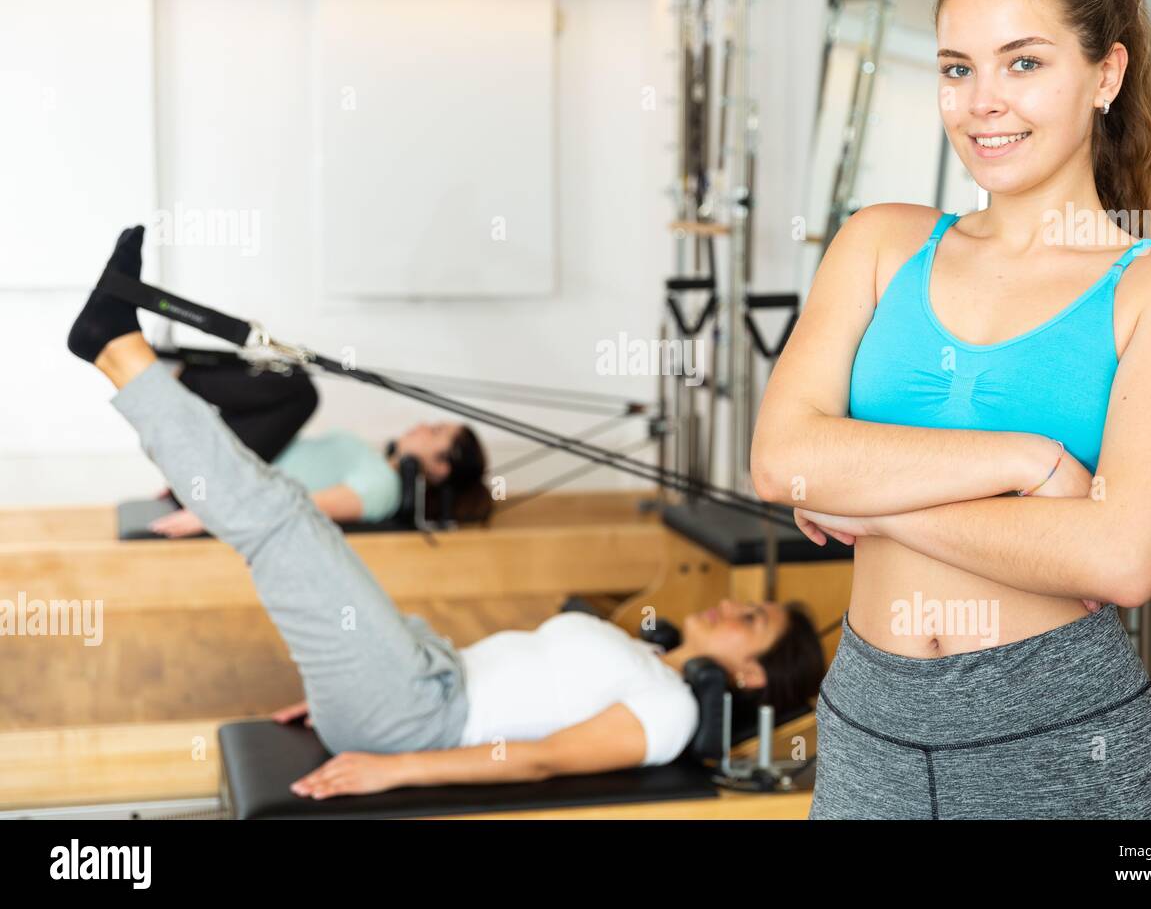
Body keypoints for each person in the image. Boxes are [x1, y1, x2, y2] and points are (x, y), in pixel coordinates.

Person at [66, 226, 825, 797]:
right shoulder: (642, 659)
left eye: (751, 621)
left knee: (283, 523)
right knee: (287, 517)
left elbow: (539, 759)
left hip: (414, 717)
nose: (732, 604)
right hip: (410, 680)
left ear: (752, 672)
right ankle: (114, 349)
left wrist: (392, 767)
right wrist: (348, 685)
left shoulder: (670, 714)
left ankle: (117, 347)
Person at [751, 0, 1151, 819]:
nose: (983, 103)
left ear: (1105, 75)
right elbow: (783, 461)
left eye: (1023, 63)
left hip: (1060, 729)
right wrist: (1029, 464)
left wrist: (873, 502)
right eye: (958, 68)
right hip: (869, 726)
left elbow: (1122, 558)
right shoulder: (879, 242)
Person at [144, 346, 492, 537]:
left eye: (433, 433)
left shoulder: (381, 488)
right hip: (222, 471)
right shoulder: (373, 463)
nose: (421, 426)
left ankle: (178, 374)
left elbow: (299, 506)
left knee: (300, 393)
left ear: (440, 466)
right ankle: (181, 371)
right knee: (292, 379)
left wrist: (213, 515)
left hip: (225, 487)